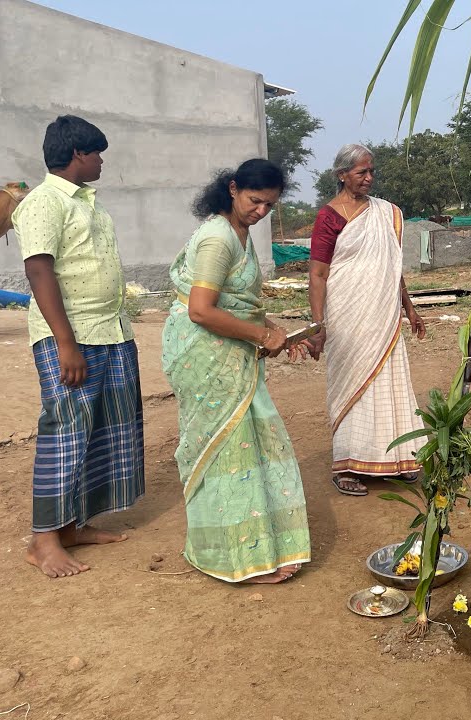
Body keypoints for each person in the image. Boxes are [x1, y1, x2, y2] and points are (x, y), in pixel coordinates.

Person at [162, 158, 312, 584]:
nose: (261, 212)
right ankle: (232, 558)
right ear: (232, 189)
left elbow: (236, 301)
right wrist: (262, 337)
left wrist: (273, 329)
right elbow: (201, 310)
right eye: (254, 201)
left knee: (253, 444)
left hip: (230, 352)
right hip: (206, 355)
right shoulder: (217, 239)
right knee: (227, 448)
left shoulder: (239, 234)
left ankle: (260, 549)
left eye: (269, 205)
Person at [13, 115, 144, 578]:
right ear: (76, 156)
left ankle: (72, 525)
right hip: (70, 336)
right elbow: (39, 271)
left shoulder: (87, 201)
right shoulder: (45, 202)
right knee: (65, 432)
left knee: (103, 426)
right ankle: (43, 541)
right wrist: (65, 344)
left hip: (108, 330)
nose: (102, 160)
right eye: (97, 153)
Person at [304, 144, 427, 497]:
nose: (369, 178)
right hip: (346, 316)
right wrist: (318, 324)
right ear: (342, 175)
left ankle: (399, 456)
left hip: (383, 314)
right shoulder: (329, 217)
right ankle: (348, 464)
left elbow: (392, 267)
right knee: (351, 388)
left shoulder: (386, 213)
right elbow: (318, 274)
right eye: (361, 173)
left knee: (390, 382)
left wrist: (409, 307)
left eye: (371, 171)